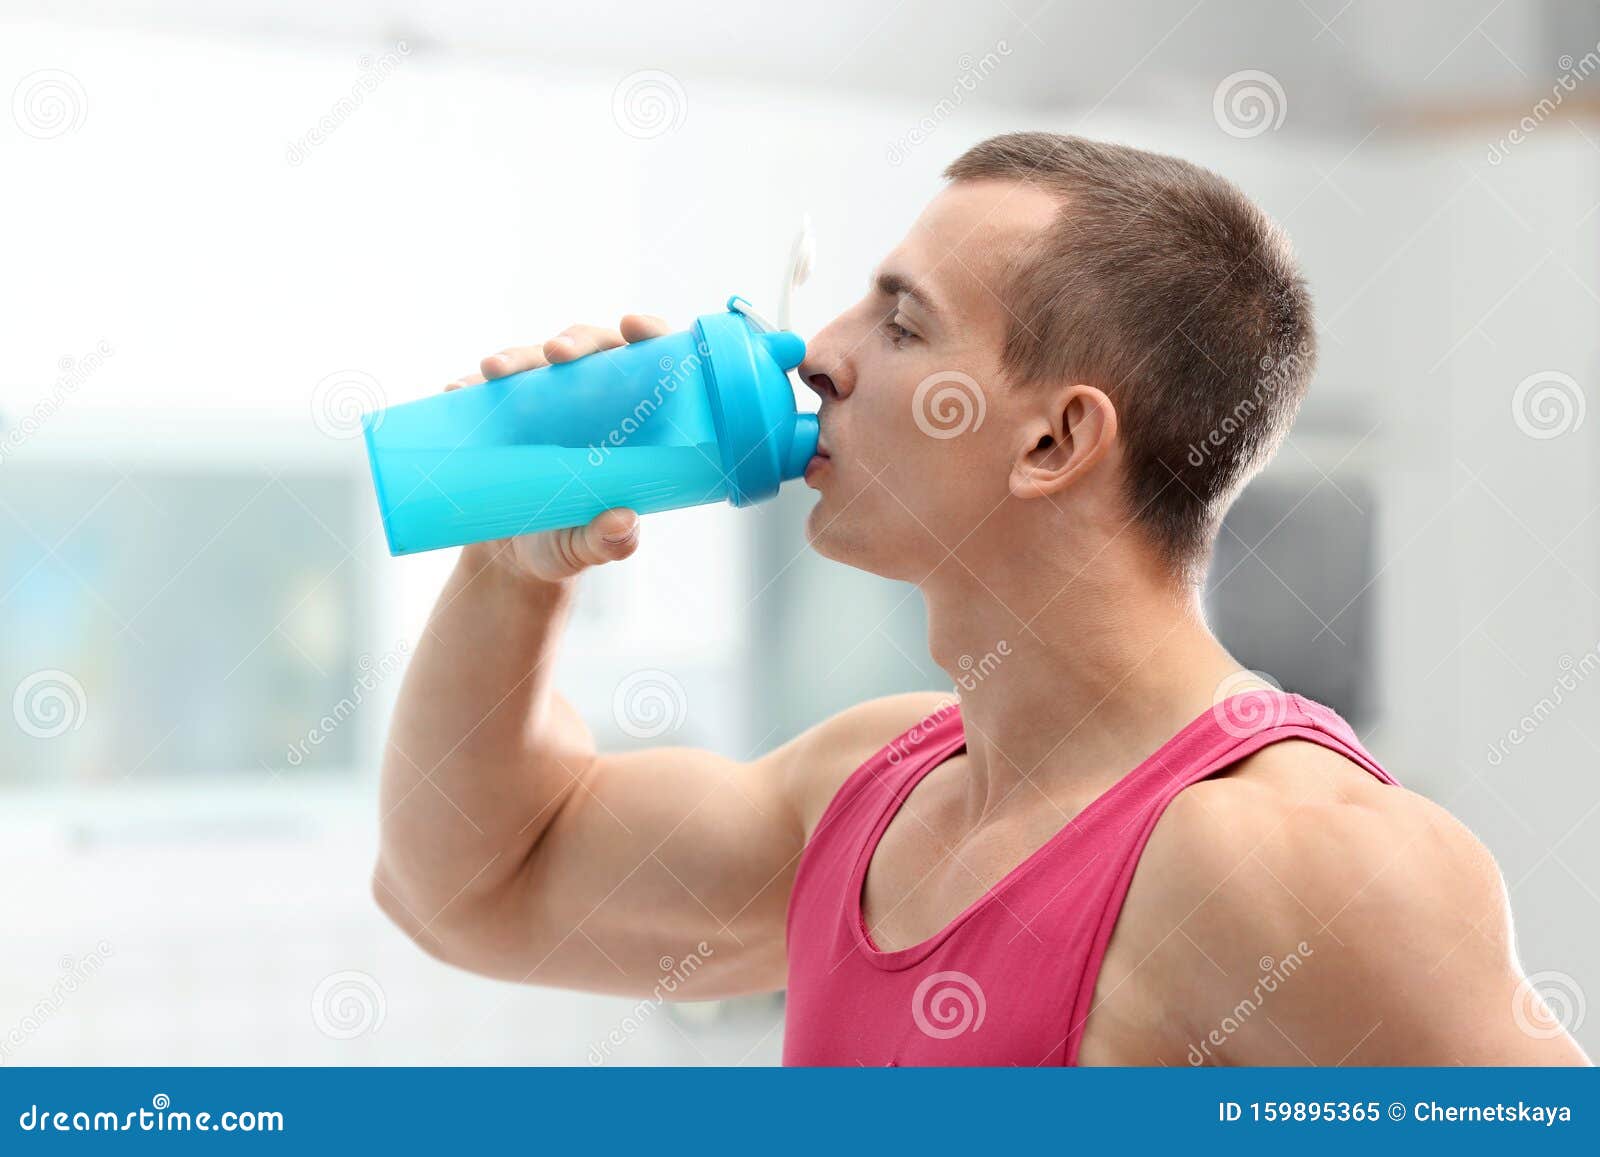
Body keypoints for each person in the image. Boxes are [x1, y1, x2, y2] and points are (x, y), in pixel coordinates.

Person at [372, 132, 1589, 1066]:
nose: (817, 353)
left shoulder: (1297, 860)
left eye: (900, 320)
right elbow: (472, 889)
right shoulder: (870, 791)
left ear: (1054, 439)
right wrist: (507, 570)